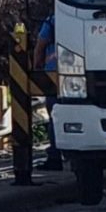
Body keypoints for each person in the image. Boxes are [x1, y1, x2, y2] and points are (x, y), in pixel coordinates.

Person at [32, 12, 61, 171]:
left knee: (55, 118)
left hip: (54, 75)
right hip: (81, 75)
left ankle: (55, 157)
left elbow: (40, 45)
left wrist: (37, 66)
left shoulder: (52, 21)